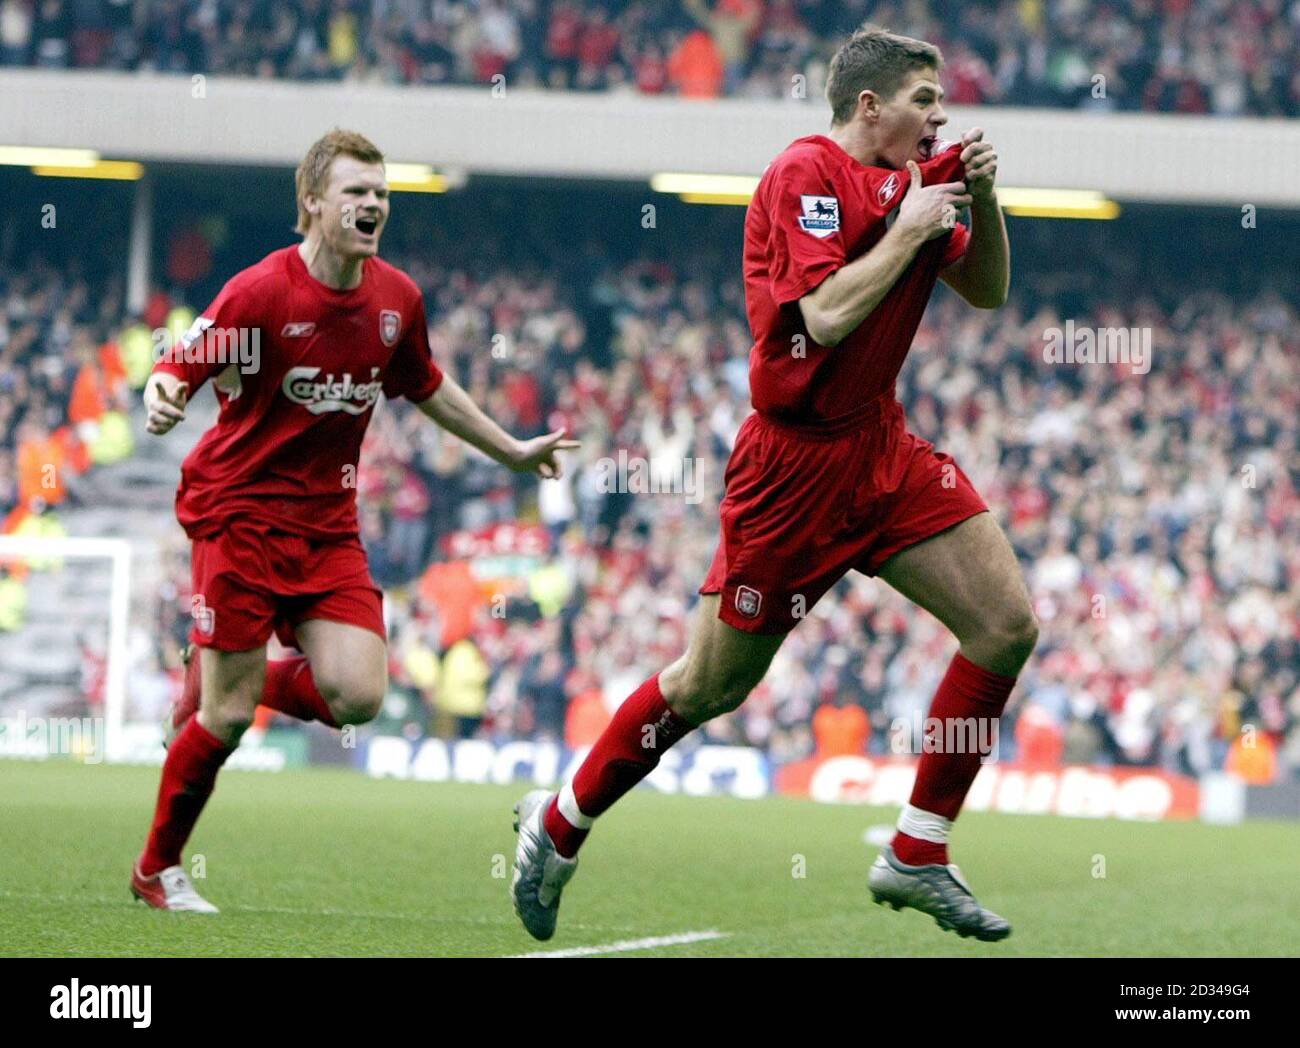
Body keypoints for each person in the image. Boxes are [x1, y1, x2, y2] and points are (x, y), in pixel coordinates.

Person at [512, 25, 1035, 943]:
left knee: (1006, 623)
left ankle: (918, 848)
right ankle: (558, 826)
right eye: (923, 98)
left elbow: (987, 291)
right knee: (710, 687)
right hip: (791, 469)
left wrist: (981, 201)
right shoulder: (805, 175)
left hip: (881, 445)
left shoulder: (919, 180)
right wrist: (910, 225)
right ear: (869, 106)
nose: (940, 114)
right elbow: (822, 316)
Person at [132, 128, 577, 912]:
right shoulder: (263, 292)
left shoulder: (396, 299)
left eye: (381, 193)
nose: (373, 205)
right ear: (312, 203)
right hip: (240, 512)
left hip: (328, 525)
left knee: (359, 695)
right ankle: (156, 869)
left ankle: (221, 679)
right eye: (355, 193)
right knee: (228, 722)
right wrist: (162, 394)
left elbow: (427, 385)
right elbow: (181, 362)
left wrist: (510, 450)